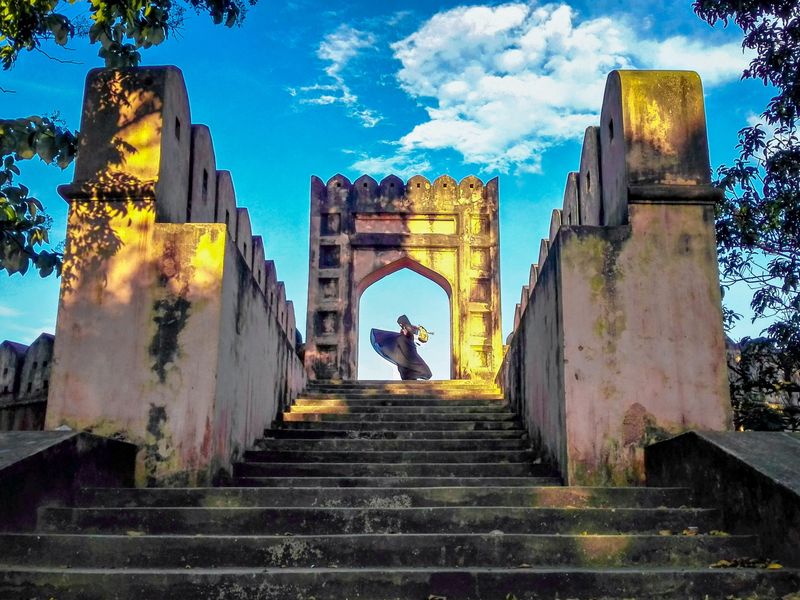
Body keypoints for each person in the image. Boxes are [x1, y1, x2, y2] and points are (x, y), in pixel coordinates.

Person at [370, 315, 432, 380]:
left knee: (413, 369)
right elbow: (414, 335)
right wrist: (416, 329)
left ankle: (409, 376)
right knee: (426, 372)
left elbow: (418, 337)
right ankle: (409, 376)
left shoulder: (406, 333)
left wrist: (418, 329)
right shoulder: (405, 335)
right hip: (406, 350)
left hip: (407, 352)